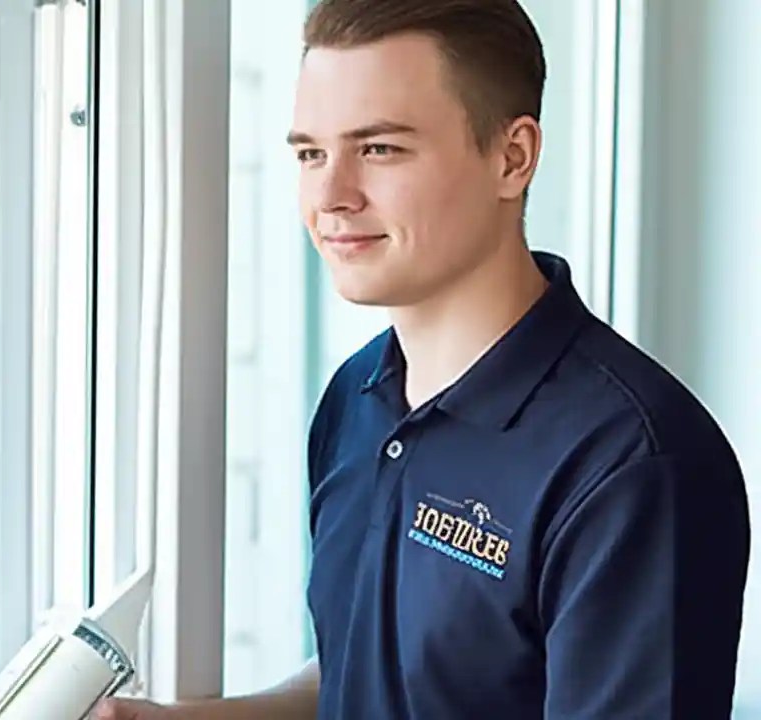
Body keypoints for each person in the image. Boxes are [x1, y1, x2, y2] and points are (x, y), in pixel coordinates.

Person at [95, 0, 751, 718]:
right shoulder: (358, 398)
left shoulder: (633, 464)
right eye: (311, 152)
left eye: (379, 148)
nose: (331, 196)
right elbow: (380, 679)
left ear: (512, 157)